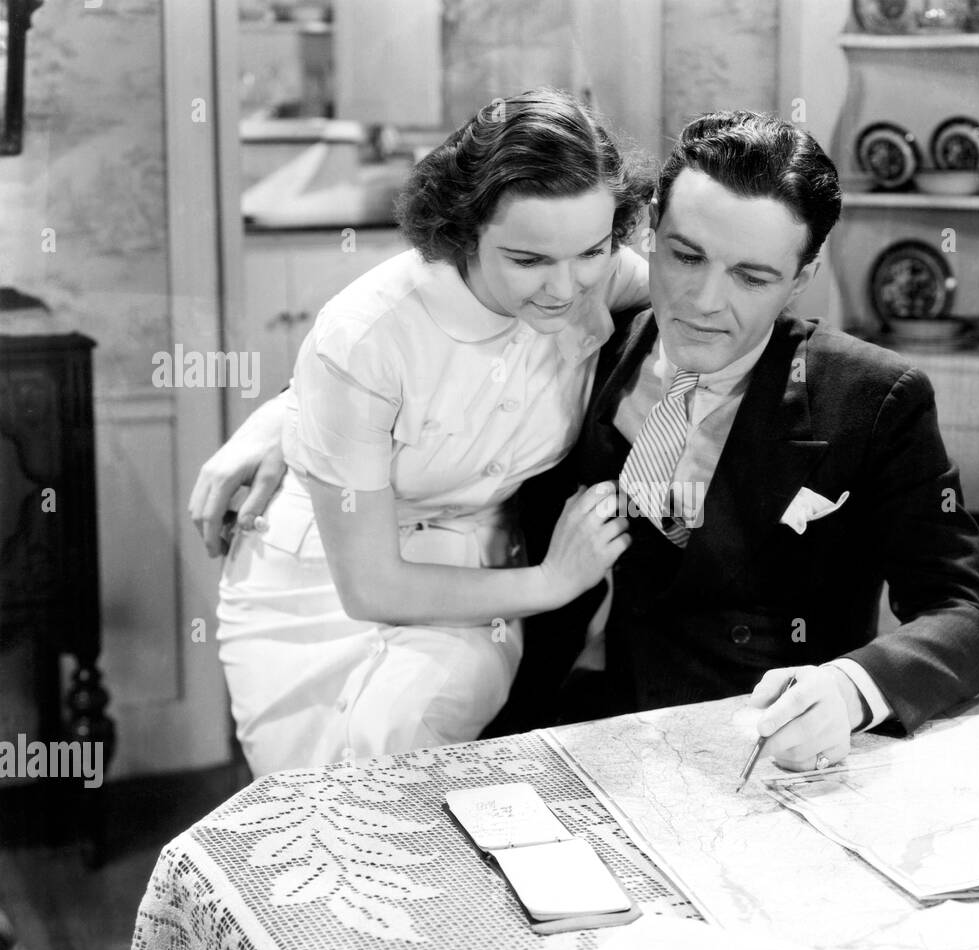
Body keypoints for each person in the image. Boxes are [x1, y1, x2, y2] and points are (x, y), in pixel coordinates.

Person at [198, 109, 979, 777]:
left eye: (752, 277)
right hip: (534, 730)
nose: (700, 299)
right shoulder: (590, 314)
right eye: (684, 254)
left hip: (748, 754)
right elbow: (410, 349)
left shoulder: (871, 398)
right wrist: (288, 414)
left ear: (804, 274)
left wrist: (850, 686)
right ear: (646, 231)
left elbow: (968, 613)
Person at [190, 89, 652, 776]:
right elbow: (372, 588)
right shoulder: (367, 336)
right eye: (528, 261)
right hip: (321, 582)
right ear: (463, 229)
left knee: (406, 734)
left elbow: (708, 305)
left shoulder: (594, 276)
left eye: (592, 250)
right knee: (322, 811)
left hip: (468, 578)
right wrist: (551, 581)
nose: (567, 288)